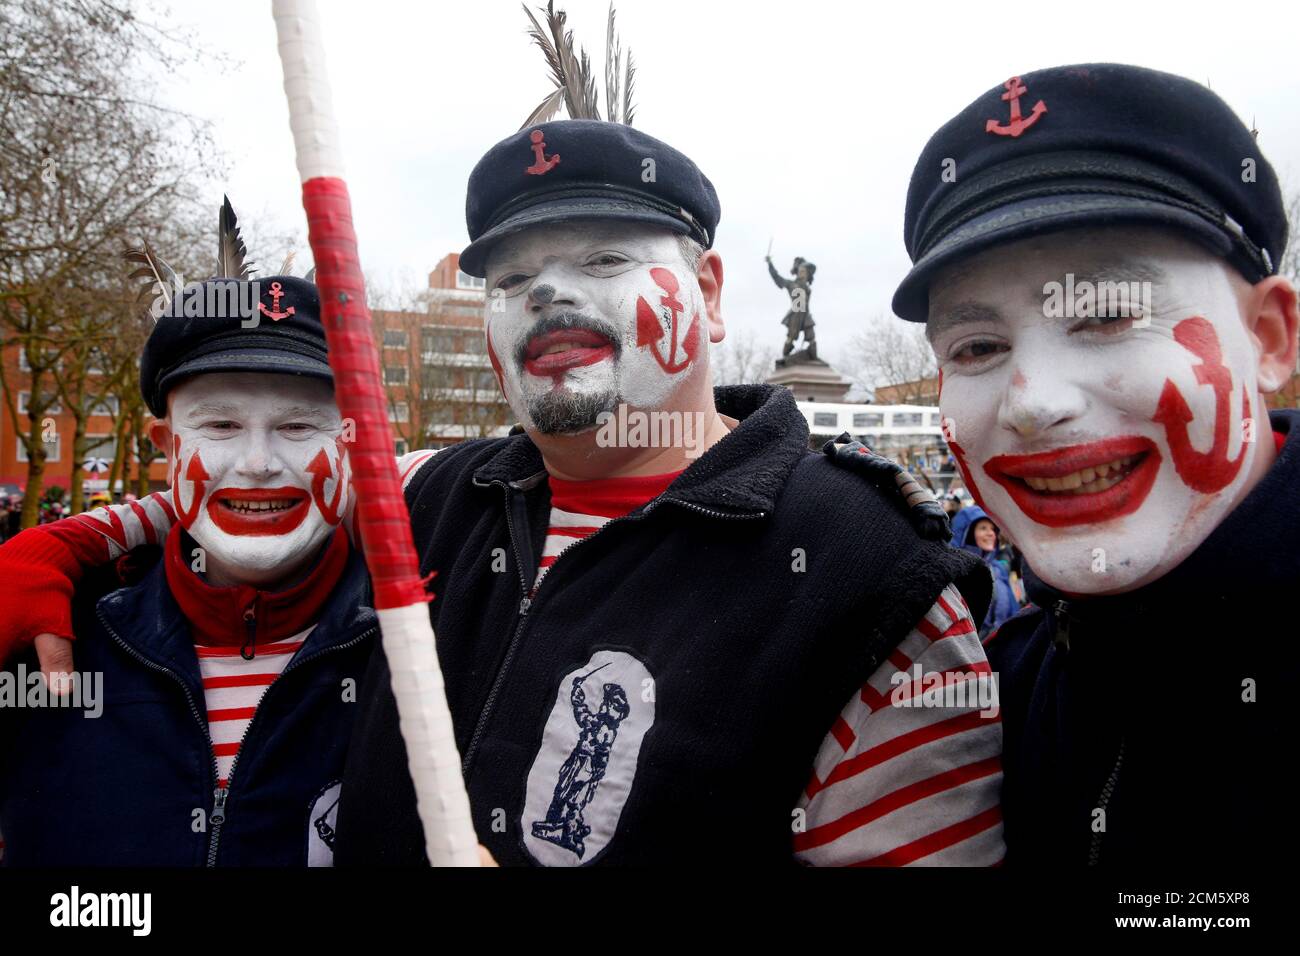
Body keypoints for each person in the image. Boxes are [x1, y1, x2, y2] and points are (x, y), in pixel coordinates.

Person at [3, 120, 1004, 867]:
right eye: (513, 275)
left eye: (605, 258)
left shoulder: (873, 582)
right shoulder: (435, 496)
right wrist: (61, 546)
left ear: (706, 287)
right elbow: (249, 485)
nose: (549, 297)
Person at [894, 62, 1299, 866]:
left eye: (1109, 315)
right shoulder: (987, 705)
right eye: (977, 347)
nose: (1033, 402)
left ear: (1269, 338)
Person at [0, 216, 376, 864]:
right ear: (165, 448)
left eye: (297, 425)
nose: (257, 463)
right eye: (222, 425)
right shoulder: (51, 636)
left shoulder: (429, 640)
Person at [950, 506, 1019, 639]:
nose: (991, 533)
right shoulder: (956, 573)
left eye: (992, 528)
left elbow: (1013, 610)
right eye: (983, 528)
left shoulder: (998, 568)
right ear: (967, 534)